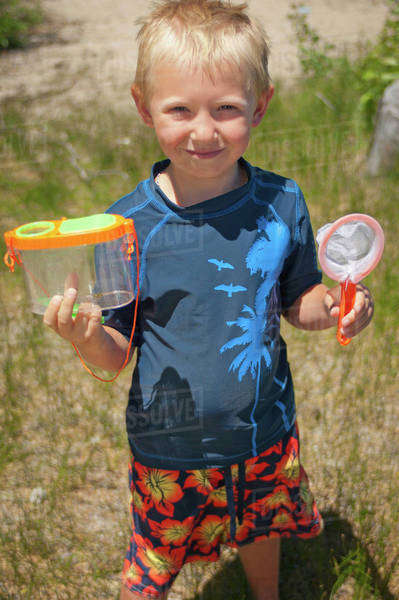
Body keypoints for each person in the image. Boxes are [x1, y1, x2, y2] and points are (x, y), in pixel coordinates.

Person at [43, 1, 374, 598]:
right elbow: (116, 352)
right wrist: (85, 336)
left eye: (226, 109)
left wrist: (337, 307)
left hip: (264, 428)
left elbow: (300, 302)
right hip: (168, 443)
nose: (204, 131)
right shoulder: (125, 225)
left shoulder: (281, 201)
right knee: (154, 555)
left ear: (261, 104)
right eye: (179, 110)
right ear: (144, 106)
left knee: (260, 522)